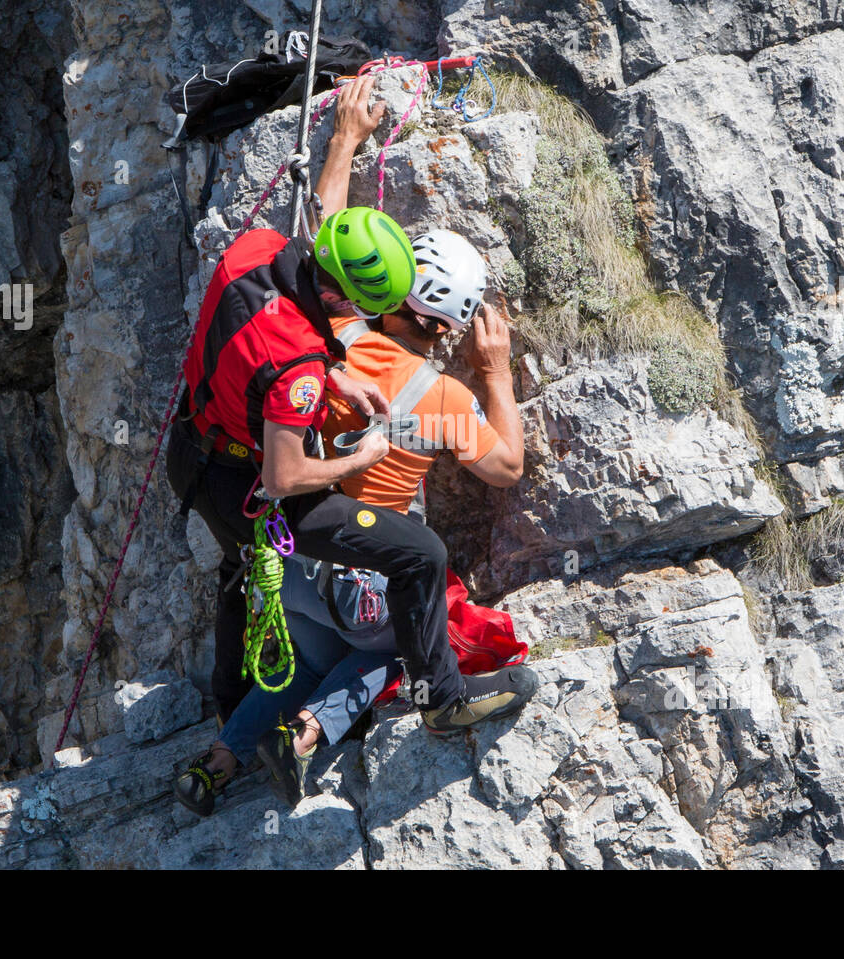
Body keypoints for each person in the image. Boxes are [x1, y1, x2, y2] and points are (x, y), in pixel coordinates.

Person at [166, 75, 535, 810]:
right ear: (442, 328)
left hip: (290, 564)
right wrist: (496, 375)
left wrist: (345, 138)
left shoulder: (334, 325)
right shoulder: (444, 397)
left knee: (315, 655)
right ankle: (305, 734)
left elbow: (323, 225)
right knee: (407, 632)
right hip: (358, 580)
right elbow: (507, 465)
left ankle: (215, 761)